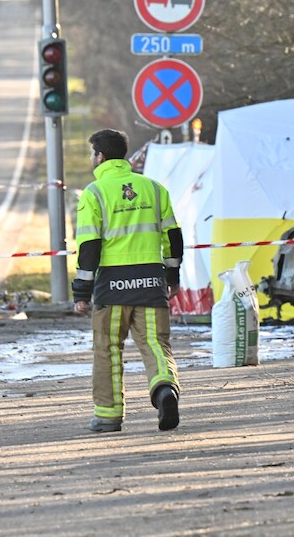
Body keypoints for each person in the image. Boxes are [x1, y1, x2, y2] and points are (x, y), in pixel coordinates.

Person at [73, 129, 184, 433]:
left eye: (92, 153)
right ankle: (164, 391)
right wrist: (172, 275)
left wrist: (81, 291)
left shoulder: (94, 193)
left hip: (112, 287)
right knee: (155, 344)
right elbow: (173, 236)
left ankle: (108, 416)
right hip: (151, 282)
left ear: (101, 156)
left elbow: (89, 247)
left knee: (107, 347)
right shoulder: (154, 188)